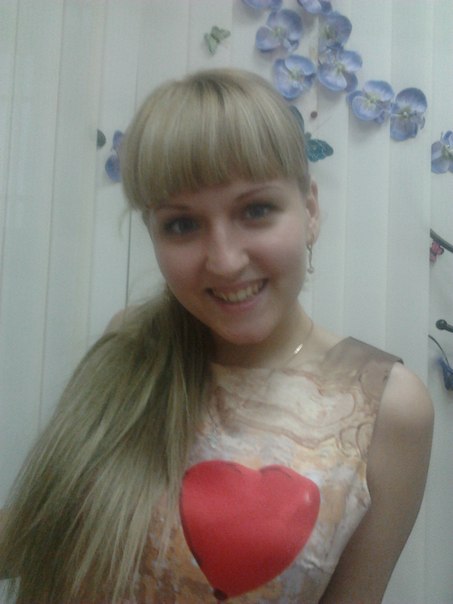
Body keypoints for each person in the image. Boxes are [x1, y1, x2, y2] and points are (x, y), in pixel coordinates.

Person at [0, 68, 433, 604]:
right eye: (182, 224)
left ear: (310, 210)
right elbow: (46, 533)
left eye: (256, 210)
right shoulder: (134, 345)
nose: (225, 261)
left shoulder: (385, 406)